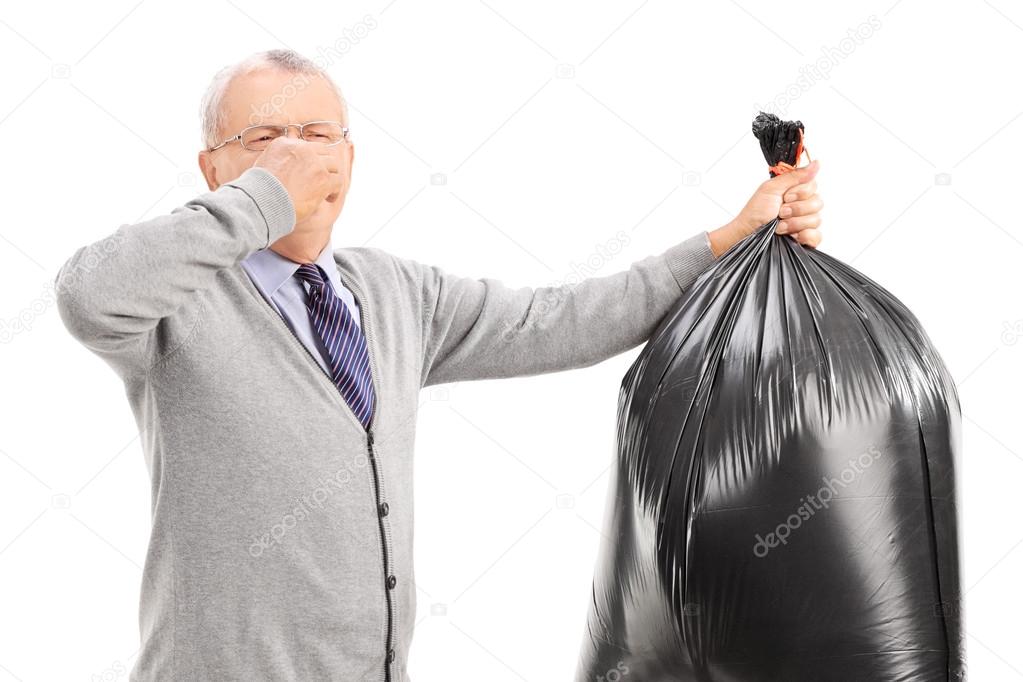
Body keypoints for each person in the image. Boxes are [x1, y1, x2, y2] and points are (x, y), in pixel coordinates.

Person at [54, 49, 823, 682]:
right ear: (213, 171)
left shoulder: (393, 294)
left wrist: (726, 238)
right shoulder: (173, 303)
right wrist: (261, 201)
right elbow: (89, 295)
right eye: (262, 142)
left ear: (348, 160)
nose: (293, 157)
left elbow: (559, 322)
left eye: (317, 135)